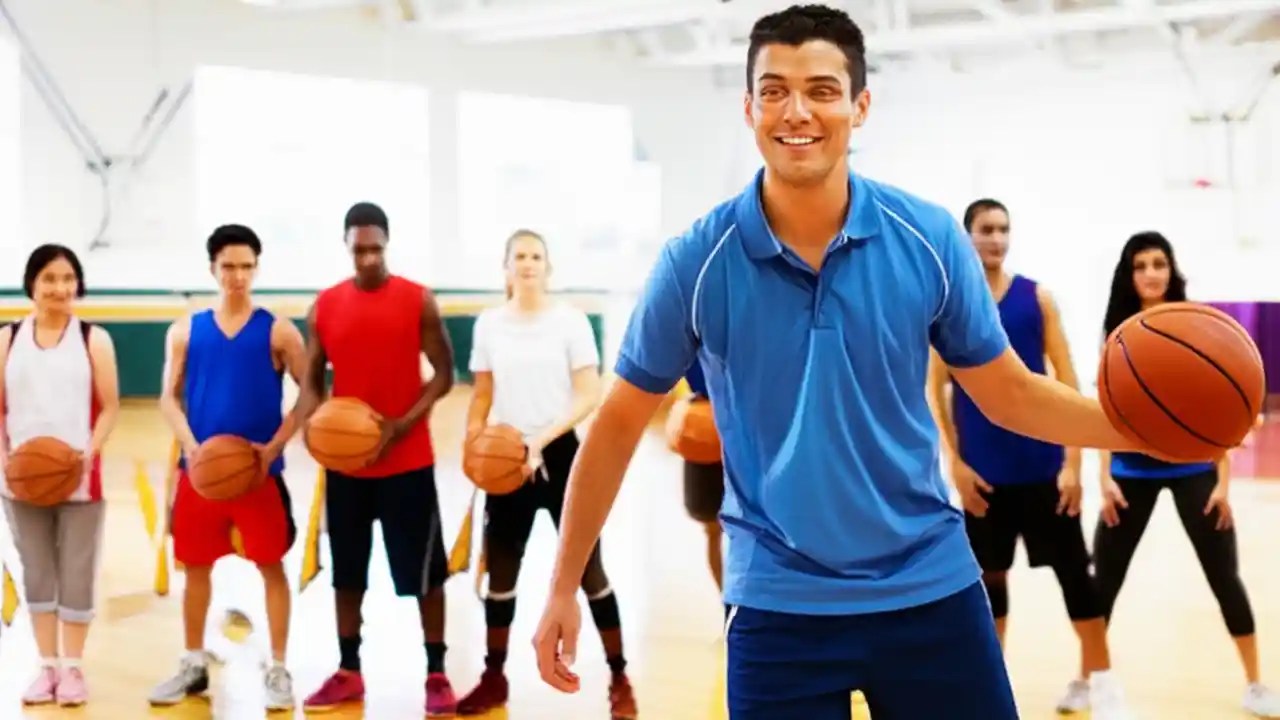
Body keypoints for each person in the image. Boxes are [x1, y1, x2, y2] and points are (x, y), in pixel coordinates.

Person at [530, 6, 1185, 718]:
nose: (796, 111)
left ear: (860, 105)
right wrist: (563, 584)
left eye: (821, 89)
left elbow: (1009, 394)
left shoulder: (929, 237)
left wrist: (1148, 430)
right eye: (774, 90)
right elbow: (619, 423)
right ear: (748, 107)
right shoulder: (696, 262)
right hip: (778, 605)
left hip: (929, 587)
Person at [927, 198, 1132, 718]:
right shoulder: (947, 303)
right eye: (985, 230)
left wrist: (1072, 464)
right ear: (968, 235)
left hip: (1043, 472)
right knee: (987, 585)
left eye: (1003, 229)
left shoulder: (1037, 298)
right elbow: (936, 391)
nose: (995, 239)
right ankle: (987, 686)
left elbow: (1065, 379)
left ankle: (1101, 686)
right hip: (984, 478)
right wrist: (955, 463)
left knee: (1077, 580)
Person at [1093, 231, 1280, 718]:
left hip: (1194, 465)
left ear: (1171, 269)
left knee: (1226, 578)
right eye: (1141, 265)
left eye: (1159, 263)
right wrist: (1104, 477)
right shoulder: (1117, 329)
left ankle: (1256, 683)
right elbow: (1103, 410)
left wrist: (1224, 482)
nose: (1151, 273)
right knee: (1103, 582)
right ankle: (1087, 677)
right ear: (1128, 273)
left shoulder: (1194, 325)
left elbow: (1214, 411)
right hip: (1129, 467)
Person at [455, 229, 637, 718]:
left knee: (589, 571)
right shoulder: (490, 324)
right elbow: (482, 395)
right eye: (520, 255)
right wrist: (474, 439)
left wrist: (540, 440)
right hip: (507, 461)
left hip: (561, 459)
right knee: (502, 575)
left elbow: (588, 395)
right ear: (506, 267)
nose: (528, 263)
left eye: (537, 255)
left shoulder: (570, 321)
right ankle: (494, 678)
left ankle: (620, 678)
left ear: (548, 267)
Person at [295, 202, 459, 716]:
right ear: (347, 246)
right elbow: (311, 381)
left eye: (375, 248)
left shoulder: (417, 301)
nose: (367, 258)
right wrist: (310, 429)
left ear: (387, 244)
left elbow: (443, 375)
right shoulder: (324, 307)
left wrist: (398, 427)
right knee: (348, 573)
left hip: (408, 461)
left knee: (426, 576)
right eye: (358, 248)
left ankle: (436, 673)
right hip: (347, 467)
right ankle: (349, 670)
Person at [148, 224, 305, 711]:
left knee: (271, 568)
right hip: (201, 476)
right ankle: (193, 661)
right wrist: (193, 447)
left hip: (259, 476)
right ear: (212, 269)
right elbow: (167, 400)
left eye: (245, 266)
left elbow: (311, 395)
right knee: (196, 570)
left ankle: (278, 668)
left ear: (256, 269)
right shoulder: (185, 331)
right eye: (228, 267)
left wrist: (273, 445)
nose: (237, 276)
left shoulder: (278, 330)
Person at [0, 244, 120, 706]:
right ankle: (45, 665)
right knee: (37, 572)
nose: (59, 288)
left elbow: (110, 407)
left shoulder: (94, 339)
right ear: (32, 283)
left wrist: (88, 454)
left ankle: (73, 667)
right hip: (21, 479)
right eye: (49, 278)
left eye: (68, 278)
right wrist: (5, 463)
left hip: (80, 478)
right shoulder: (8, 339)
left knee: (76, 572)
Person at [665, 359, 725, 593]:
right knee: (713, 528)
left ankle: (734, 606)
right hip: (706, 433)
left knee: (729, 532)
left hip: (730, 434)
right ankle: (729, 606)